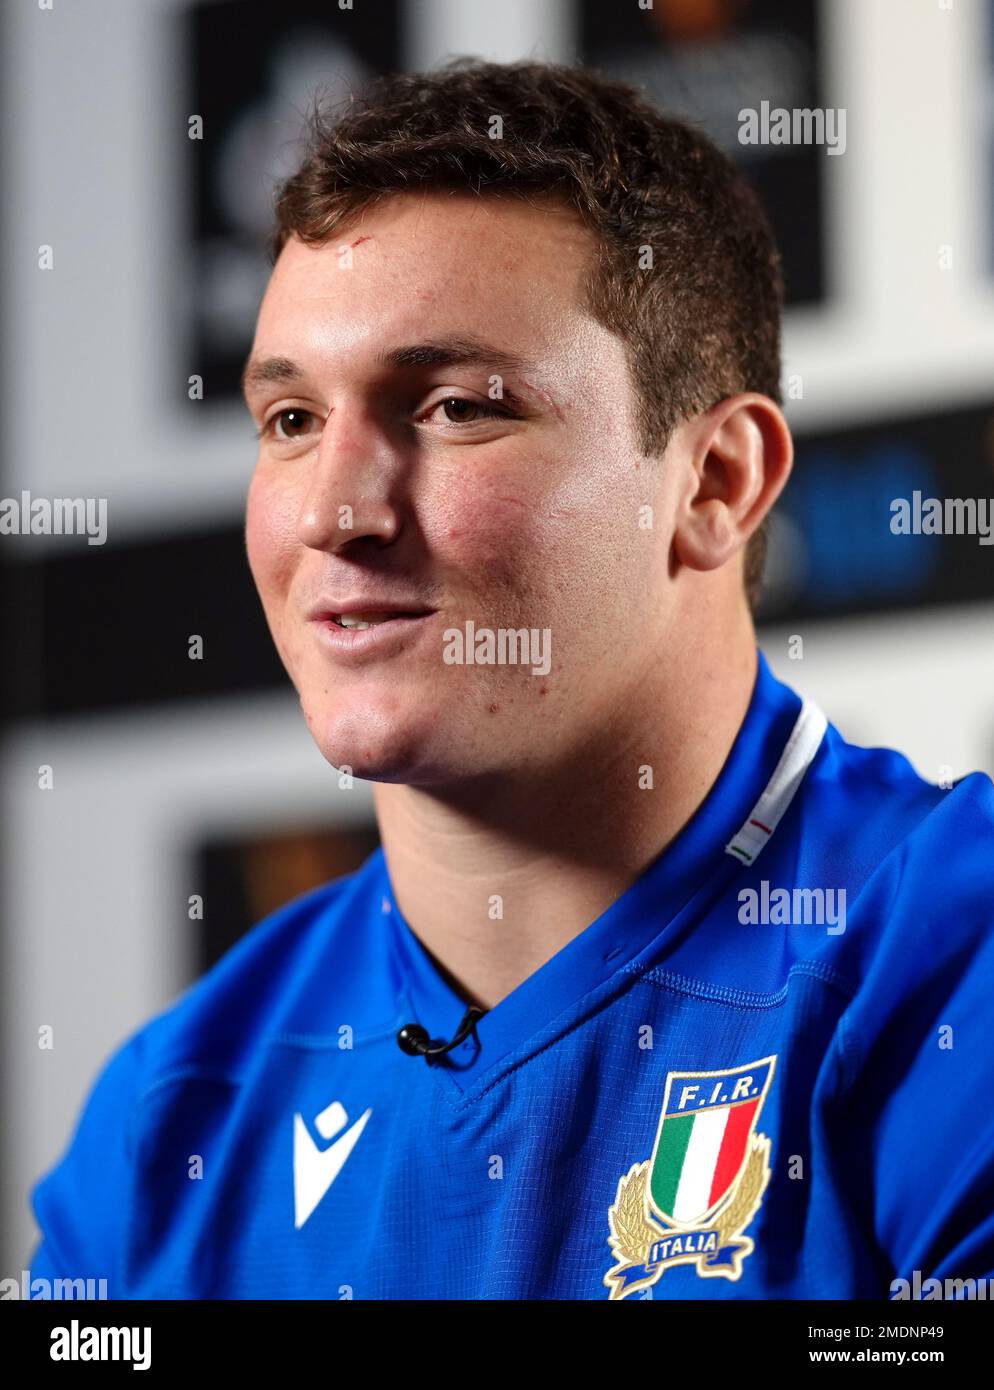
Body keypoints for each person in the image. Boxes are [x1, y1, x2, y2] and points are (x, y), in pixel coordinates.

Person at [27, 59, 994, 1301]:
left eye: (453, 407)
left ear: (714, 484)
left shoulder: (946, 960)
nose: (333, 510)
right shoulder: (171, 1115)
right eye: (290, 421)